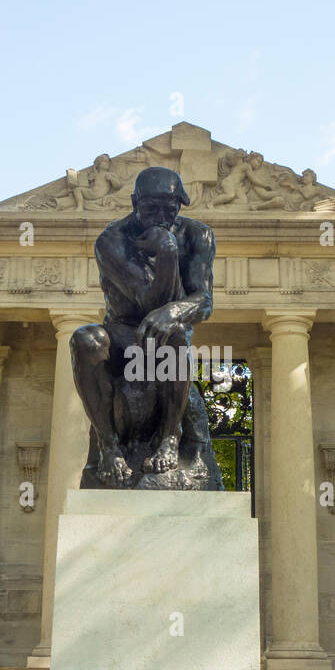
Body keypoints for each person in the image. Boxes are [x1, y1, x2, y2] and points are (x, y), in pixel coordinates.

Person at [69, 167, 216, 487]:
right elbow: (147, 298)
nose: (162, 216)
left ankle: (170, 439)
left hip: (166, 340)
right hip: (122, 338)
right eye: (151, 208)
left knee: (175, 337)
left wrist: (175, 310)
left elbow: (204, 300)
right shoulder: (112, 240)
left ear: (180, 205)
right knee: (85, 340)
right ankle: (109, 447)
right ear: (135, 202)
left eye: (170, 208)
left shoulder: (198, 235)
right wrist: (166, 251)